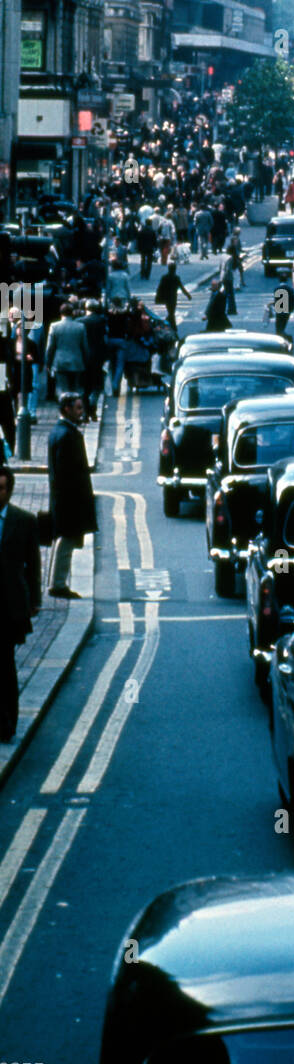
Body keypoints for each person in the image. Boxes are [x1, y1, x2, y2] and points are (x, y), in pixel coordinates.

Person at [0, 464, 42, 741]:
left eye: (1, 488)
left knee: (4, 667)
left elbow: (33, 565)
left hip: (8, 607)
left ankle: (6, 725)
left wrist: (34, 601)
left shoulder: (23, 520)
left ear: (10, 490)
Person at [47, 393, 97, 599]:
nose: (81, 412)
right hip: (69, 500)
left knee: (64, 540)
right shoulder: (67, 436)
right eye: (77, 408)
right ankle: (58, 584)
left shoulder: (61, 432)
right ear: (66, 409)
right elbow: (67, 473)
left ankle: (58, 582)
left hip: (65, 499)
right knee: (65, 542)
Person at [44, 303, 89, 397]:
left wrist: (48, 363)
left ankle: (64, 408)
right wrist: (86, 361)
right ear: (72, 313)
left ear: (61, 313)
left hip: (60, 362)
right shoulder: (80, 326)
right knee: (75, 390)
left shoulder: (54, 326)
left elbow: (50, 347)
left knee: (62, 389)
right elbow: (85, 347)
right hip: (77, 362)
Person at [81, 300, 107, 422]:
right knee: (97, 386)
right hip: (98, 358)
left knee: (85, 387)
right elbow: (105, 339)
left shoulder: (80, 321)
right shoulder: (101, 321)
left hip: (84, 358)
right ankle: (93, 408)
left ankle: (86, 413)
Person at [154, 262, 191, 333]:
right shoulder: (176, 278)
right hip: (173, 298)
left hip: (166, 298)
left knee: (171, 312)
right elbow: (182, 287)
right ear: (175, 269)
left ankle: (169, 325)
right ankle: (171, 326)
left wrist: (157, 297)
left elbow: (160, 288)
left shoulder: (164, 277)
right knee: (171, 312)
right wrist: (187, 295)